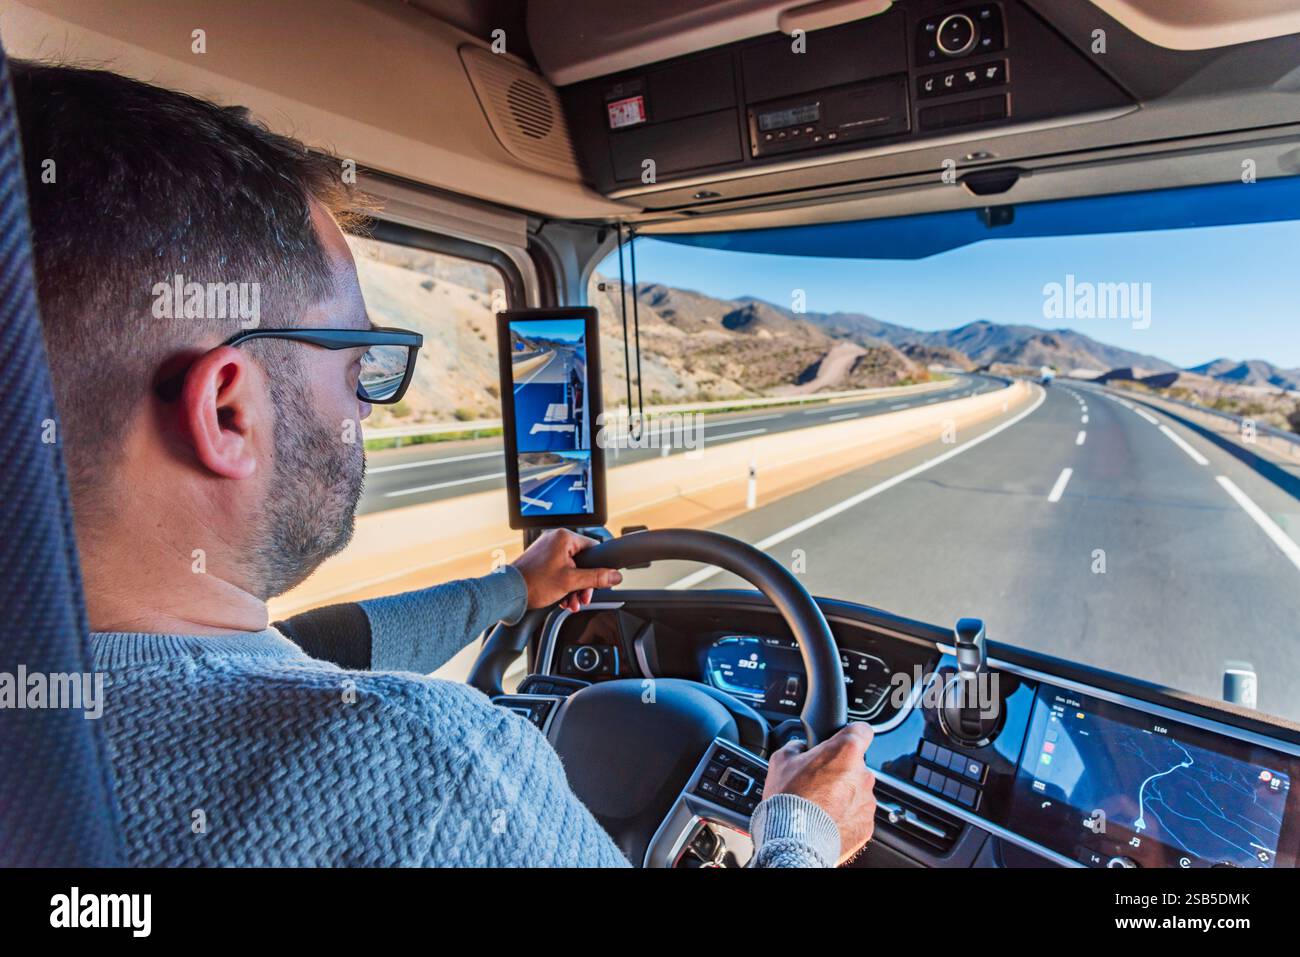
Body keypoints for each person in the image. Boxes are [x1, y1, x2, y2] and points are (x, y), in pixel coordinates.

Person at [13, 61, 876, 867]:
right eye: (359, 365)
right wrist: (801, 830)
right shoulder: (429, 774)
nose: (364, 406)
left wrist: (514, 589)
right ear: (228, 412)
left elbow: (319, 646)